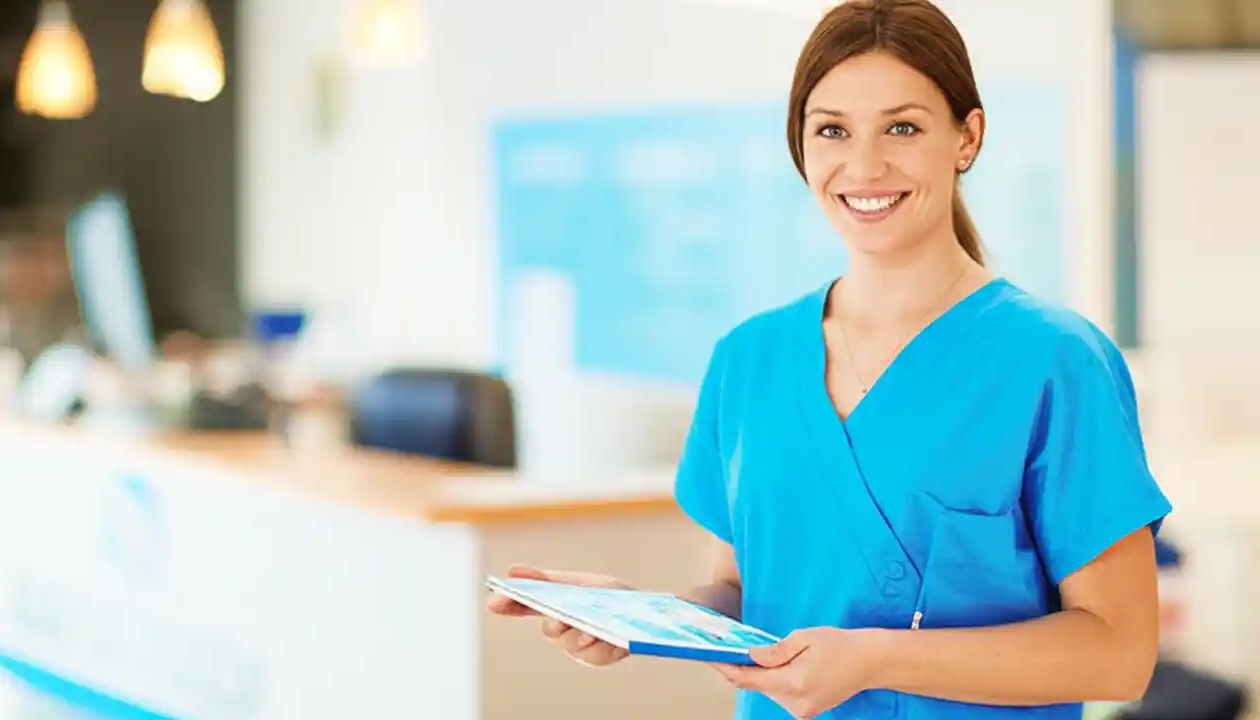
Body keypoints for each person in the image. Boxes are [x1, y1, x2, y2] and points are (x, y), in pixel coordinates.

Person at [488, 1, 1173, 718]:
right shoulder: (749, 359)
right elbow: (739, 591)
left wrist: (875, 658)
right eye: (833, 130)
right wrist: (646, 622)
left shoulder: (1055, 363)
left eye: (902, 128)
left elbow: (1119, 653)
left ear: (967, 137)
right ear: (802, 147)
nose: (865, 164)